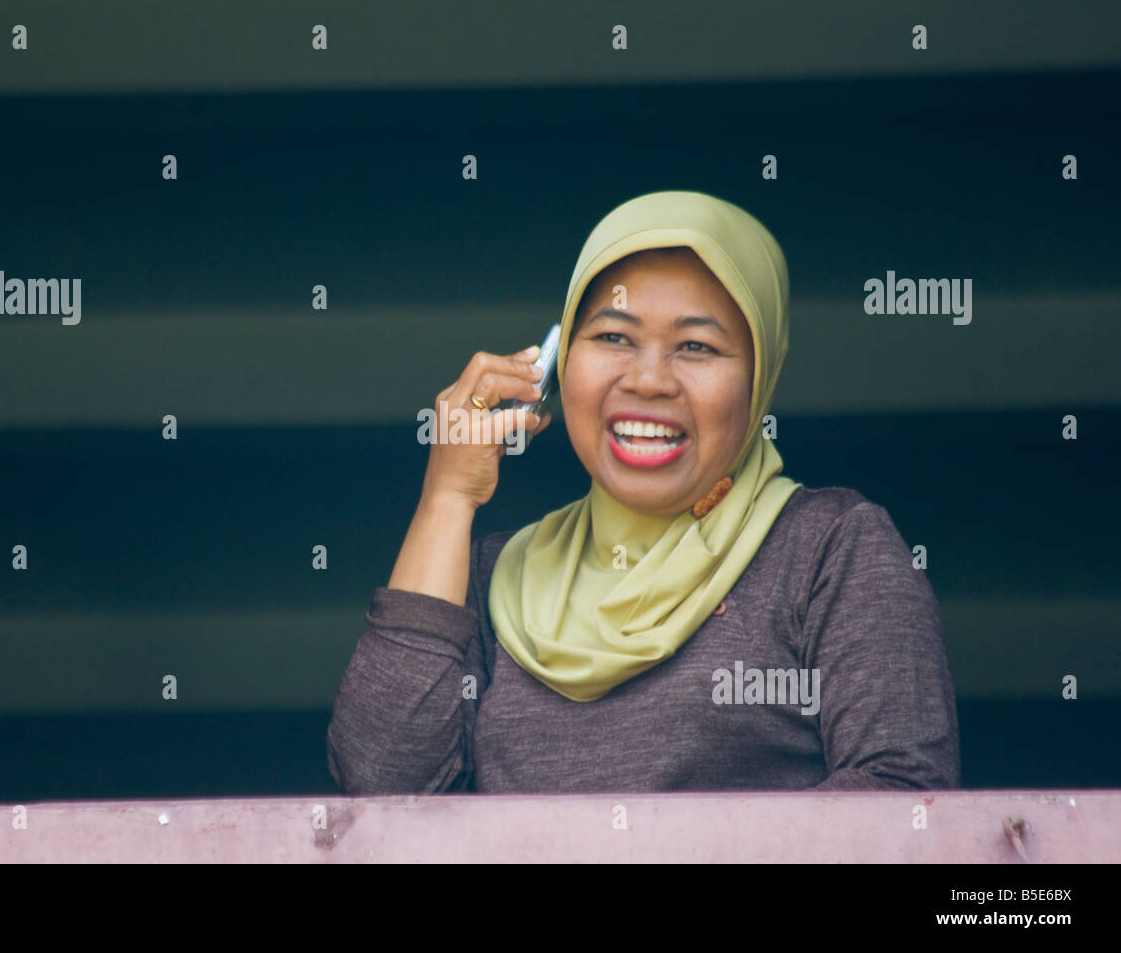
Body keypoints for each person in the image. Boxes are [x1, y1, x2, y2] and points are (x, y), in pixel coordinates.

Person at [327, 190, 960, 793]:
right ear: (556, 366)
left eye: (696, 346)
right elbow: (383, 788)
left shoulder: (829, 549)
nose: (649, 379)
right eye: (612, 336)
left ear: (759, 378)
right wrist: (446, 499)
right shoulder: (495, 578)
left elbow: (903, 800)